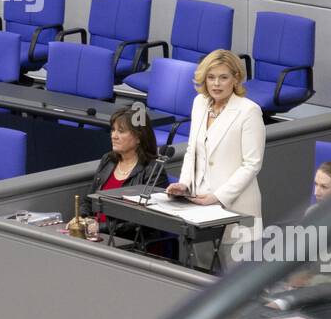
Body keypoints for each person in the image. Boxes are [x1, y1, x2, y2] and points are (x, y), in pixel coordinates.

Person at [167, 49, 265, 263]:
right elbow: (192, 148)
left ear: (236, 78)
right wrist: (184, 184)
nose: (216, 84)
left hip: (237, 208)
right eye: (211, 78)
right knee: (201, 275)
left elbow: (252, 164)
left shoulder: (249, 111)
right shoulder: (200, 103)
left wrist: (218, 197)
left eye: (223, 77)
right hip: (199, 206)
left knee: (238, 283)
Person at [90, 106, 167, 194]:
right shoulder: (108, 159)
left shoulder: (153, 171)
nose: (113, 136)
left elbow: (149, 206)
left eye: (121, 131)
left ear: (139, 137)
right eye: (113, 130)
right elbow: (88, 200)